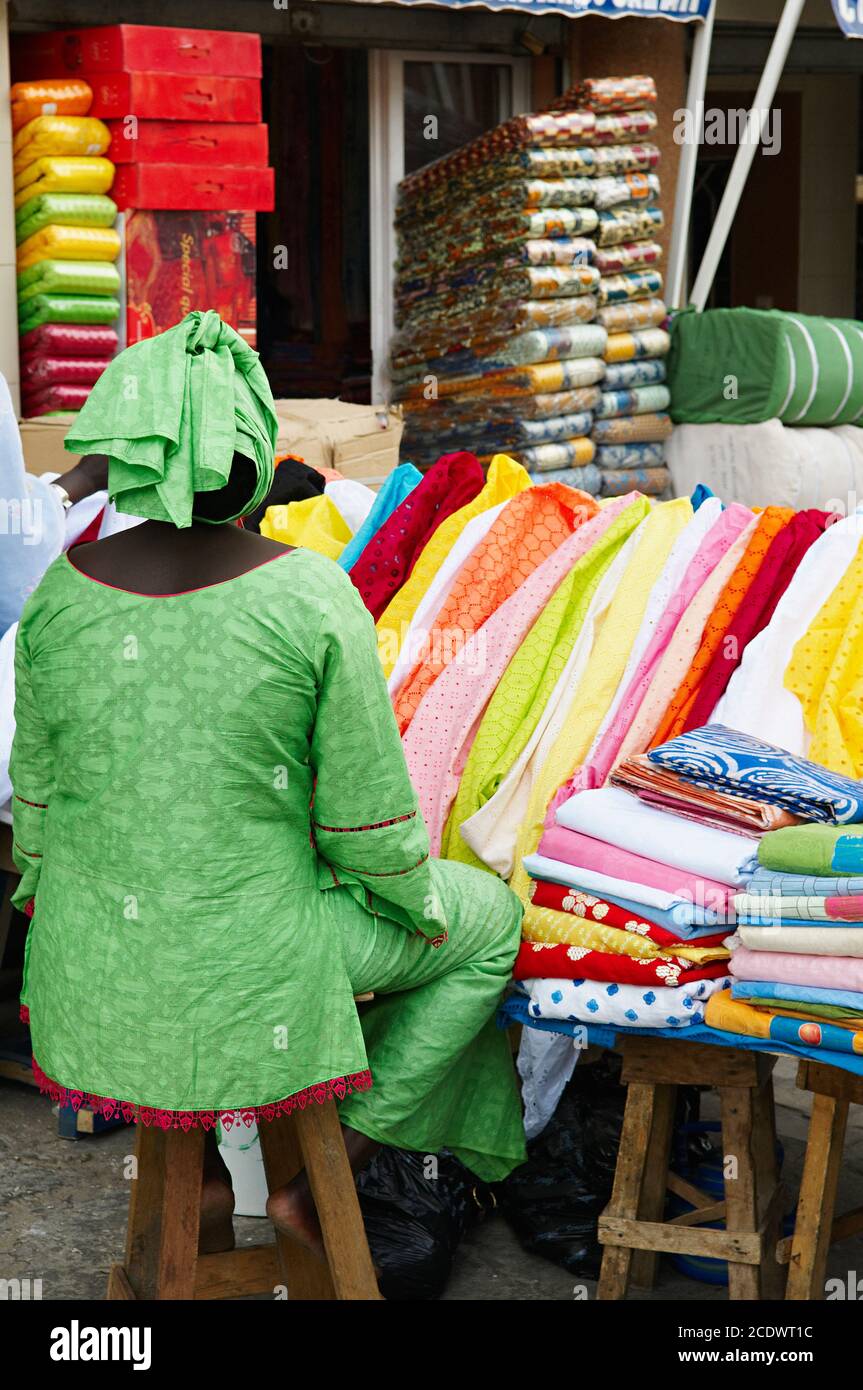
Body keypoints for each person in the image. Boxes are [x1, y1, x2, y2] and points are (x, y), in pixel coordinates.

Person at [10, 311, 525, 1262]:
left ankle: (203, 1170)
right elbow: (366, 822)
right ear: (251, 452)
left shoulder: (59, 598)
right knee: (487, 919)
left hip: (93, 964)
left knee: (200, 909)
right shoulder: (310, 593)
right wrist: (410, 901)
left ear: (124, 443)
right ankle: (314, 1183)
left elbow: (33, 817)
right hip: (257, 962)